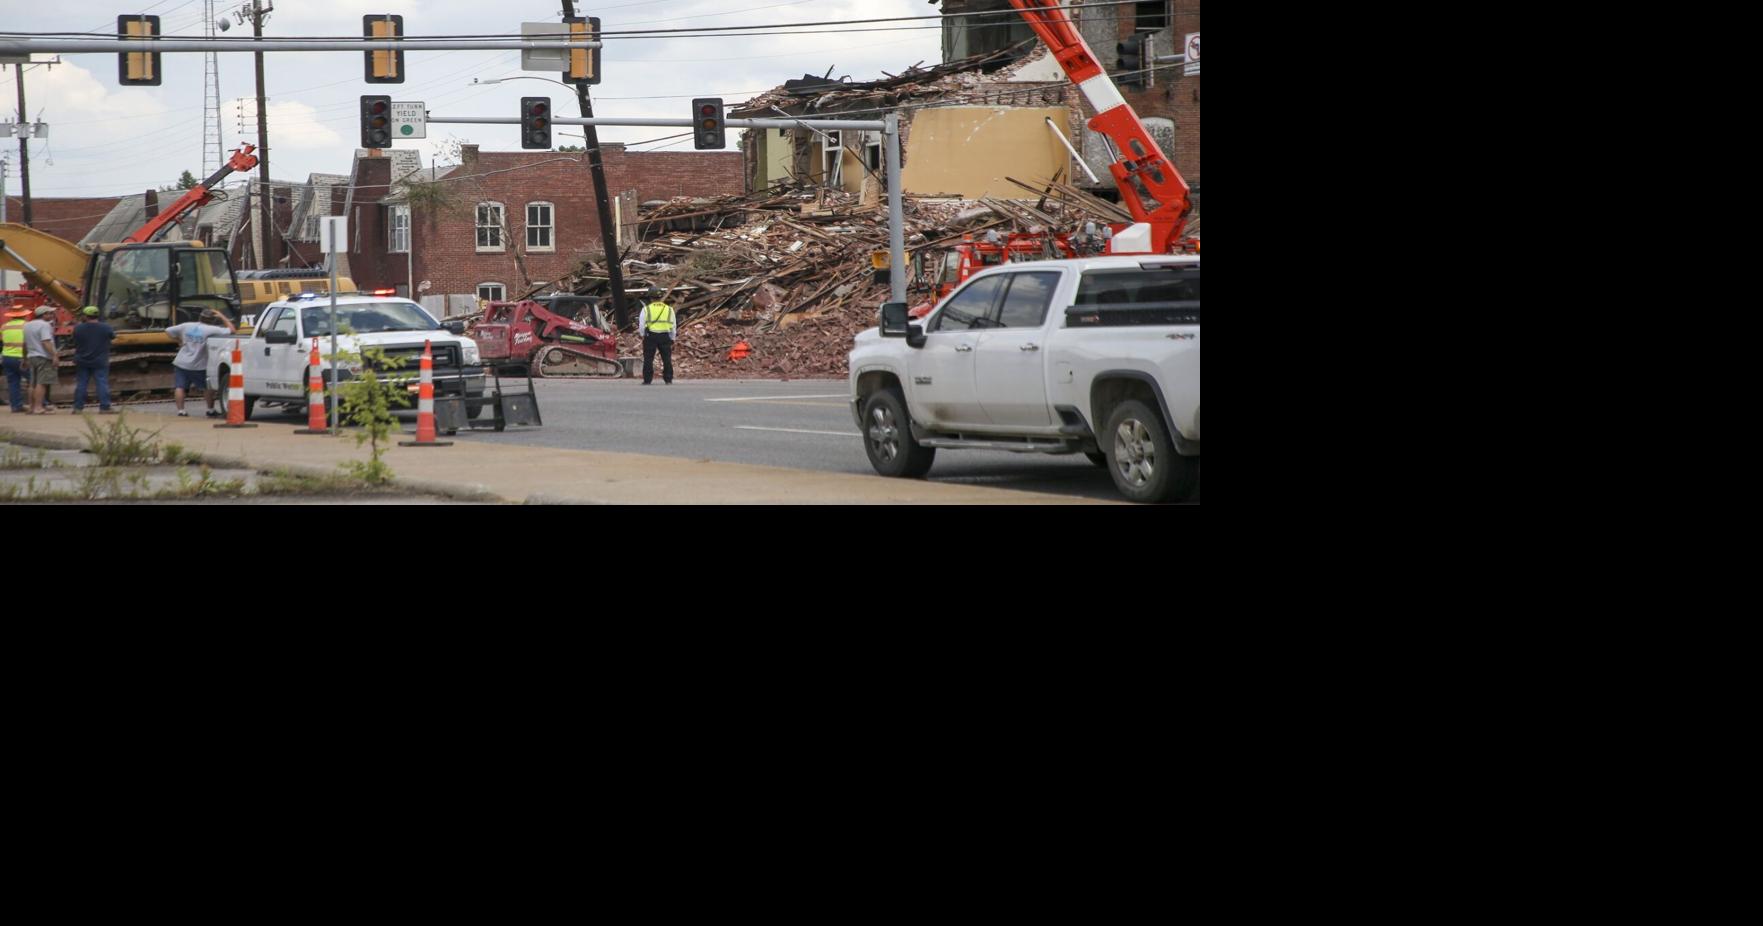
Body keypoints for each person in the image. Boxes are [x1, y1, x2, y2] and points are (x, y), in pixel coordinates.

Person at [164, 309, 236, 417]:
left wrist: (178, 340)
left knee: (180, 387)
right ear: (212, 320)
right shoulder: (212, 329)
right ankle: (210, 410)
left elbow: (168, 330)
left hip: (181, 362)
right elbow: (232, 330)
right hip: (198, 365)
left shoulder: (186, 325)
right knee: (207, 387)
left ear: (200, 318)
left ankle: (181, 411)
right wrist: (222, 316)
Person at [72, 306, 117, 415]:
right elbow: (113, 337)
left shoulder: (78, 328)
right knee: (102, 383)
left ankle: (78, 408)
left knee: (81, 383)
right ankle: (105, 407)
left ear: (85, 316)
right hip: (100, 360)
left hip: (82, 360)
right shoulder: (106, 327)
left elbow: (74, 340)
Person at [24, 305, 60, 415]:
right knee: (42, 383)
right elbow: (46, 342)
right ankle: (38, 407)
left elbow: (24, 344)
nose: (52, 315)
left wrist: (24, 358)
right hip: (43, 357)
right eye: (50, 313)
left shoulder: (27, 325)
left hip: (32, 356)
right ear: (44, 315)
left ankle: (31, 407)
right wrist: (54, 355)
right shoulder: (45, 325)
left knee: (32, 383)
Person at [639, 287, 677, 386]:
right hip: (665, 335)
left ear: (650, 298)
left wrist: (643, 335)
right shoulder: (669, 309)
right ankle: (668, 379)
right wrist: (672, 337)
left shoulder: (646, 309)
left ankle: (647, 380)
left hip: (651, 336)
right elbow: (673, 325)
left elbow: (642, 325)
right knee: (666, 358)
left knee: (648, 358)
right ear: (661, 297)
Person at [1, 306, 30, 413]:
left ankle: (16, 406)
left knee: (13, 383)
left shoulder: (4, 326)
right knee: (33, 381)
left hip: (7, 358)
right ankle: (40, 404)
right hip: (21, 358)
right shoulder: (26, 326)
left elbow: (2, 340)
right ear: (24, 315)